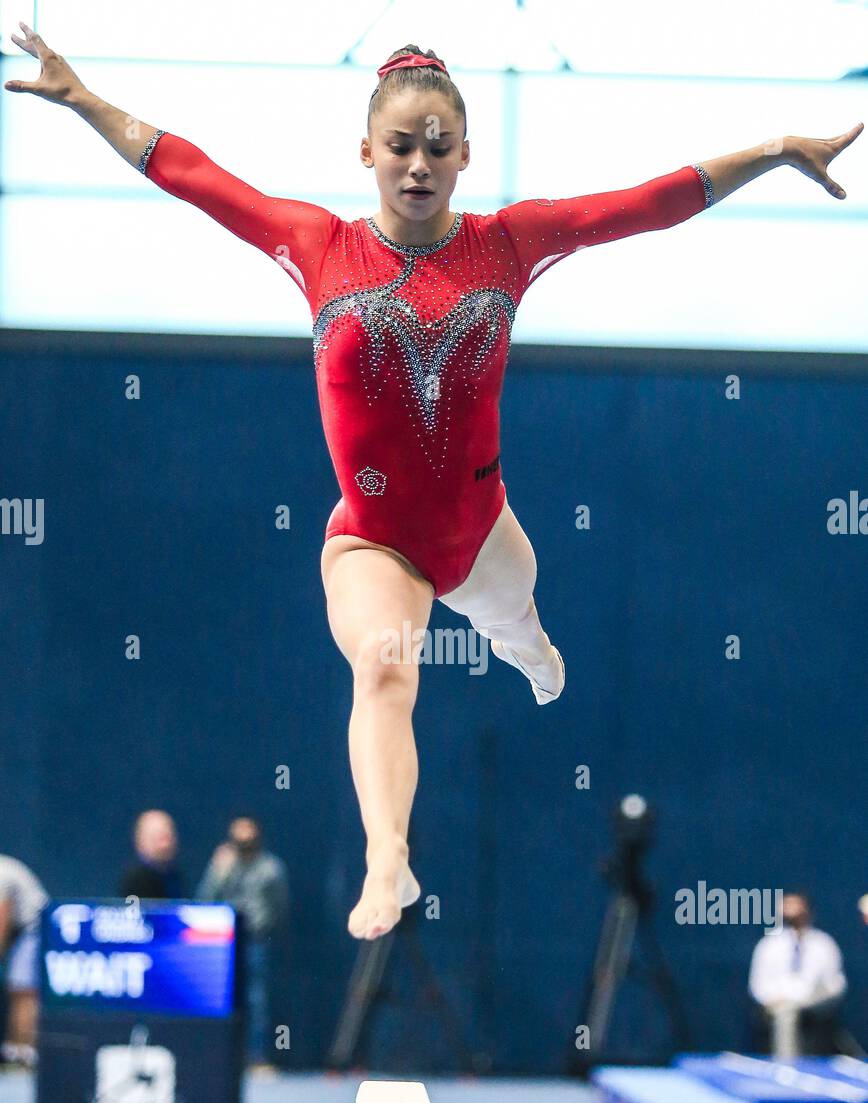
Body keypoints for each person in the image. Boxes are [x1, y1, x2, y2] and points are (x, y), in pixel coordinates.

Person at [8, 23, 862, 940]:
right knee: (384, 669)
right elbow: (188, 171)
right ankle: (389, 859)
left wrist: (776, 152)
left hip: (482, 529)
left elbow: (646, 203)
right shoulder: (317, 245)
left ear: (464, 156)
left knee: (514, 618)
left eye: (438, 148)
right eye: (402, 147)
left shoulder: (511, 244)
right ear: (367, 152)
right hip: (374, 539)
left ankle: (527, 646)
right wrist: (87, 100)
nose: (419, 164)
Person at [196, 816, 290, 1075]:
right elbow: (204, 900)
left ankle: (257, 1058)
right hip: (223, 943)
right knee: (220, 997)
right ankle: (219, 1056)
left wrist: (265, 927)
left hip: (256, 941)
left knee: (256, 1000)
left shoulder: (270, 868)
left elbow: (280, 906)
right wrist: (219, 872)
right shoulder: (223, 866)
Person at [748, 891, 847, 1058]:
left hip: (815, 1001)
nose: (792, 911)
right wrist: (775, 999)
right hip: (780, 1002)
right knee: (787, 1013)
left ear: (807, 909)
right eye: (787, 906)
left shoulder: (824, 943)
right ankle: (788, 1065)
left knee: (792, 1009)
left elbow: (836, 983)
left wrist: (812, 996)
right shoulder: (769, 945)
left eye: (796, 906)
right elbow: (757, 985)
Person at [0, 853, 49, 1068]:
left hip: (36, 929)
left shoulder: (2, 873)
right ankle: (15, 1048)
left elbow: (2, 920)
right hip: (20, 933)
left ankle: (24, 1052)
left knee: (23, 989)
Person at [119, 809, 186, 900]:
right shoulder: (136, 881)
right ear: (141, 841)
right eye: (158, 838)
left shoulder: (174, 877)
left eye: (168, 837)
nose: (165, 845)